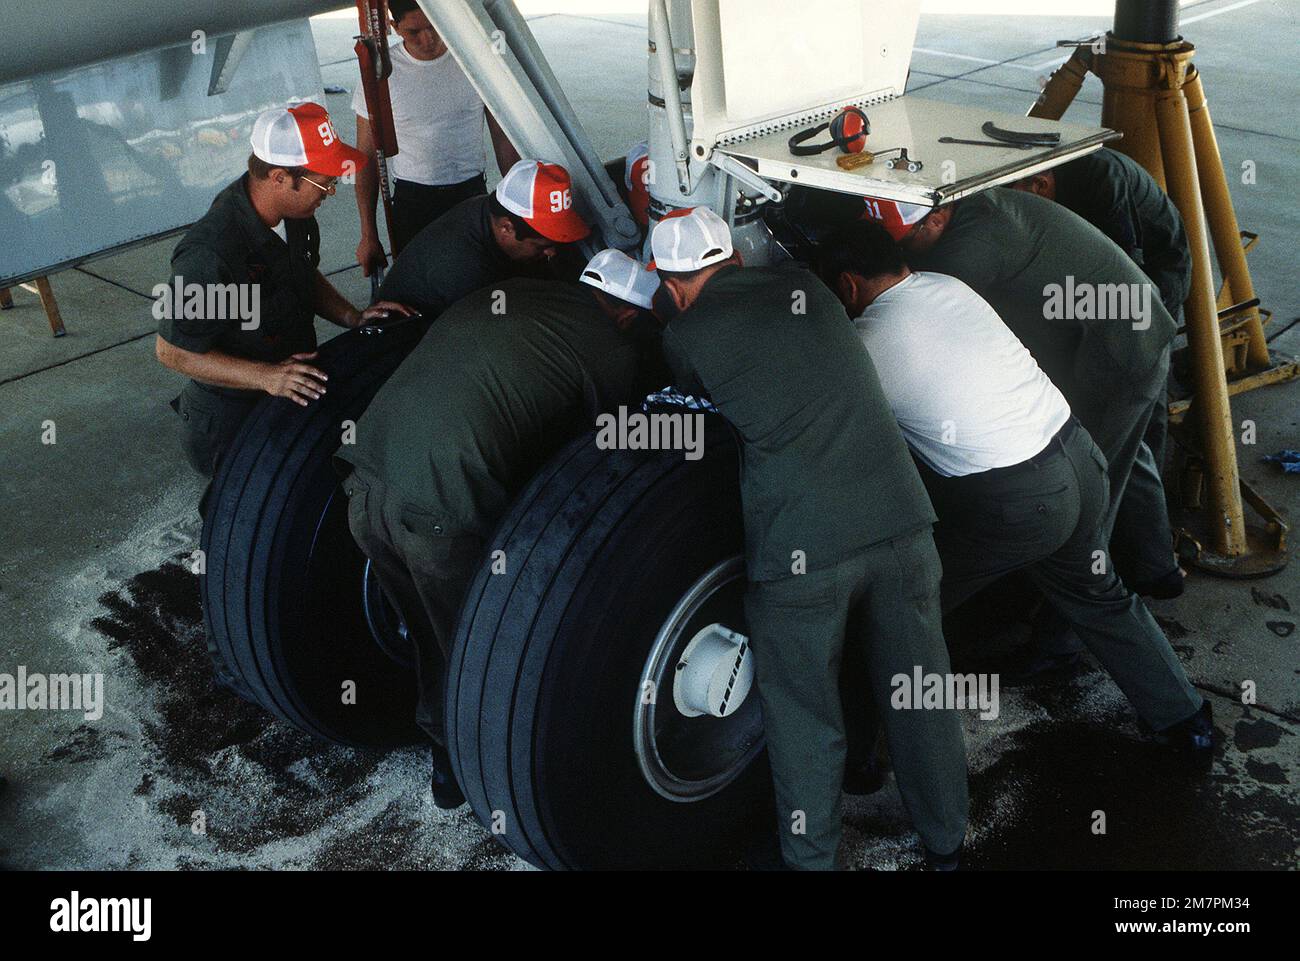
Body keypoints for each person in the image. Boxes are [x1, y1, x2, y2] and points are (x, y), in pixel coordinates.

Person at [651, 207, 968, 871]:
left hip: (803, 550)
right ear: (733, 259)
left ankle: (811, 859)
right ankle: (945, 843)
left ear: (673, 285)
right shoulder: (812, 290)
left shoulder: (688, 331)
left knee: (804, 715)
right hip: (903, 523)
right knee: (920, 694)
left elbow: (702, 423)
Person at [820, 219, 1212, 757]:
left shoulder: (868, 345)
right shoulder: (947, 286)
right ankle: (1186, 721)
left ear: (846, 285)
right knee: (1099, 595)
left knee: (901, 611)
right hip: (1079, 456)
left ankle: (870, 755)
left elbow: (843, 440)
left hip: (1022, 504)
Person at [334, 251, 658, 808]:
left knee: (427, 632)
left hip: (364, 486)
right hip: (438, 511)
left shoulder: (506, 291)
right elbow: (603, 457)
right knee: (483, 649)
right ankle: (482, 769)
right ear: (630, 315)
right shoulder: (610, 344)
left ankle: (444, 753)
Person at [866, 189, 1179, 671]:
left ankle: (1060, 641)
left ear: (935, 220)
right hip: (1130, 324)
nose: (901, 254)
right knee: (1122, 455)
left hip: (1116, 352)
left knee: (1093, 492)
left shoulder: (964, 252)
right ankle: (1158, 567)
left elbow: (914, 313)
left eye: (905, 242)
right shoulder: (978, 204)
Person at [156, 102, 414, 485]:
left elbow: (300, 275)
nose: (330, 191)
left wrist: (352, 317)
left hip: (282, 393)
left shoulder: (291, 217)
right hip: (232, 419)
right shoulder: (212, 253)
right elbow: (173, 351)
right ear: (279, 177)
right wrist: (266, 376)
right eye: (323, 181)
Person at [1011, 148, 1193, 597]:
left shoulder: (1101, 180)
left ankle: (1150, 562)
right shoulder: (1050, 180)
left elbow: (1126, 274)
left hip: (1153, 283)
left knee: (1137, 425)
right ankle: (1152, 557)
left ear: (1041, 183)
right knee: (1131, 434)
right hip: (1111, 294)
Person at [354, 0, 520, 271]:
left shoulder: (475, 60)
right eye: (414, 32)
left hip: (471, 194)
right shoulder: (380, 74)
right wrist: (368, 235)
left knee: (475, 282)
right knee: (421, 289)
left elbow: (503, 140)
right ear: (395, 27)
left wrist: (518, 204)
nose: (428, 39)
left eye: (433, 26)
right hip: (413, 202)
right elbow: (367, 158)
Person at [374, 158, 589, 317]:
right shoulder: (463, 265)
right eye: (543, 246)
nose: (552, 252)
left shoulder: (490, 212)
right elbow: (499, 325)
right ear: (507, 228)